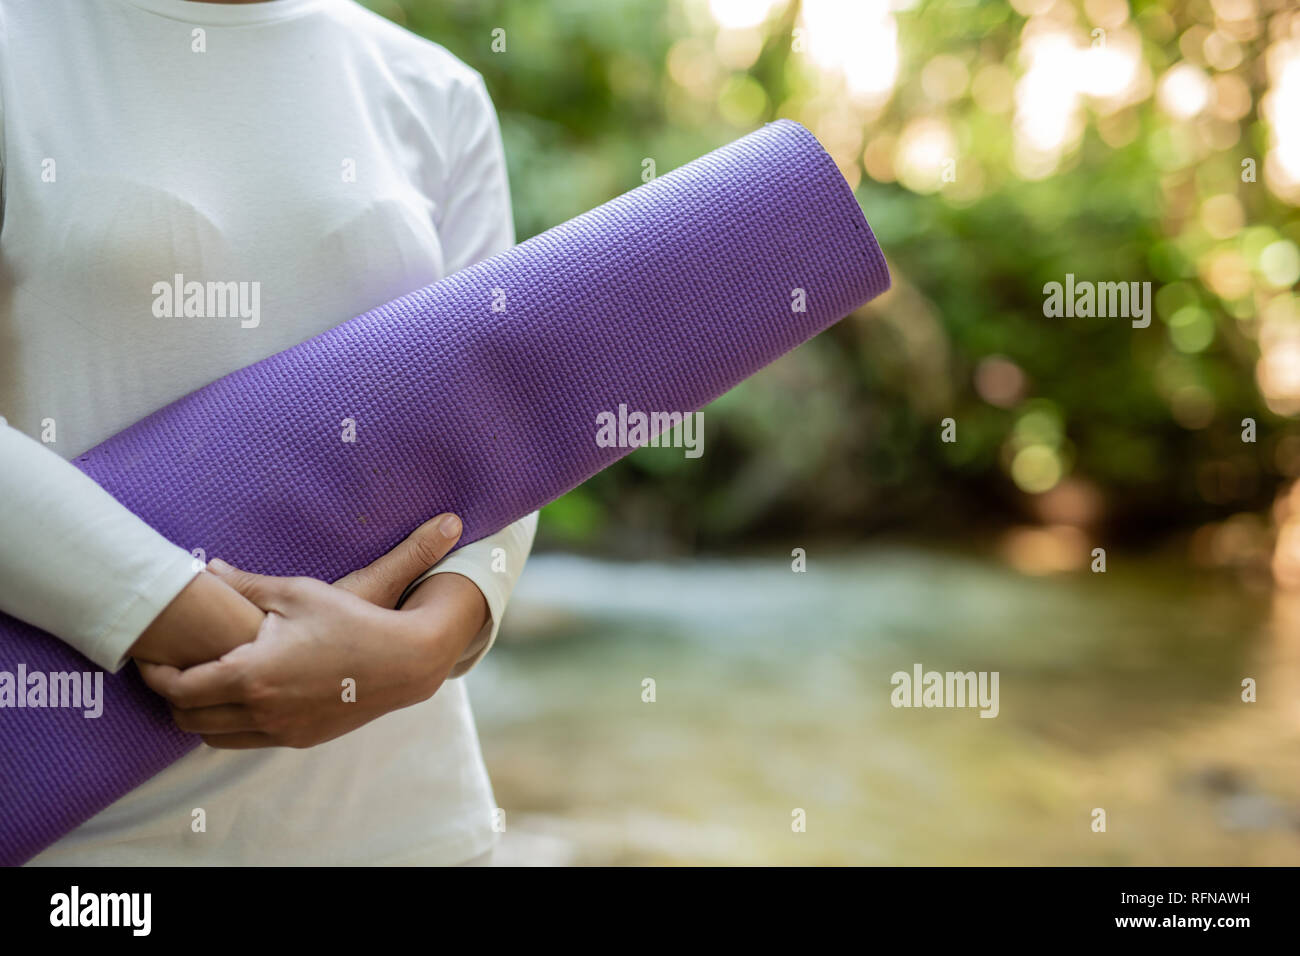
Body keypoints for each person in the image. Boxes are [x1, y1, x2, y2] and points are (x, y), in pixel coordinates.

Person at [0, 0, 537, 865]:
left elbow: (501, 412)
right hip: (89, 835)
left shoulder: (434, 90)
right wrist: (197, 619)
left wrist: (428, 643)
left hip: (406, 818)